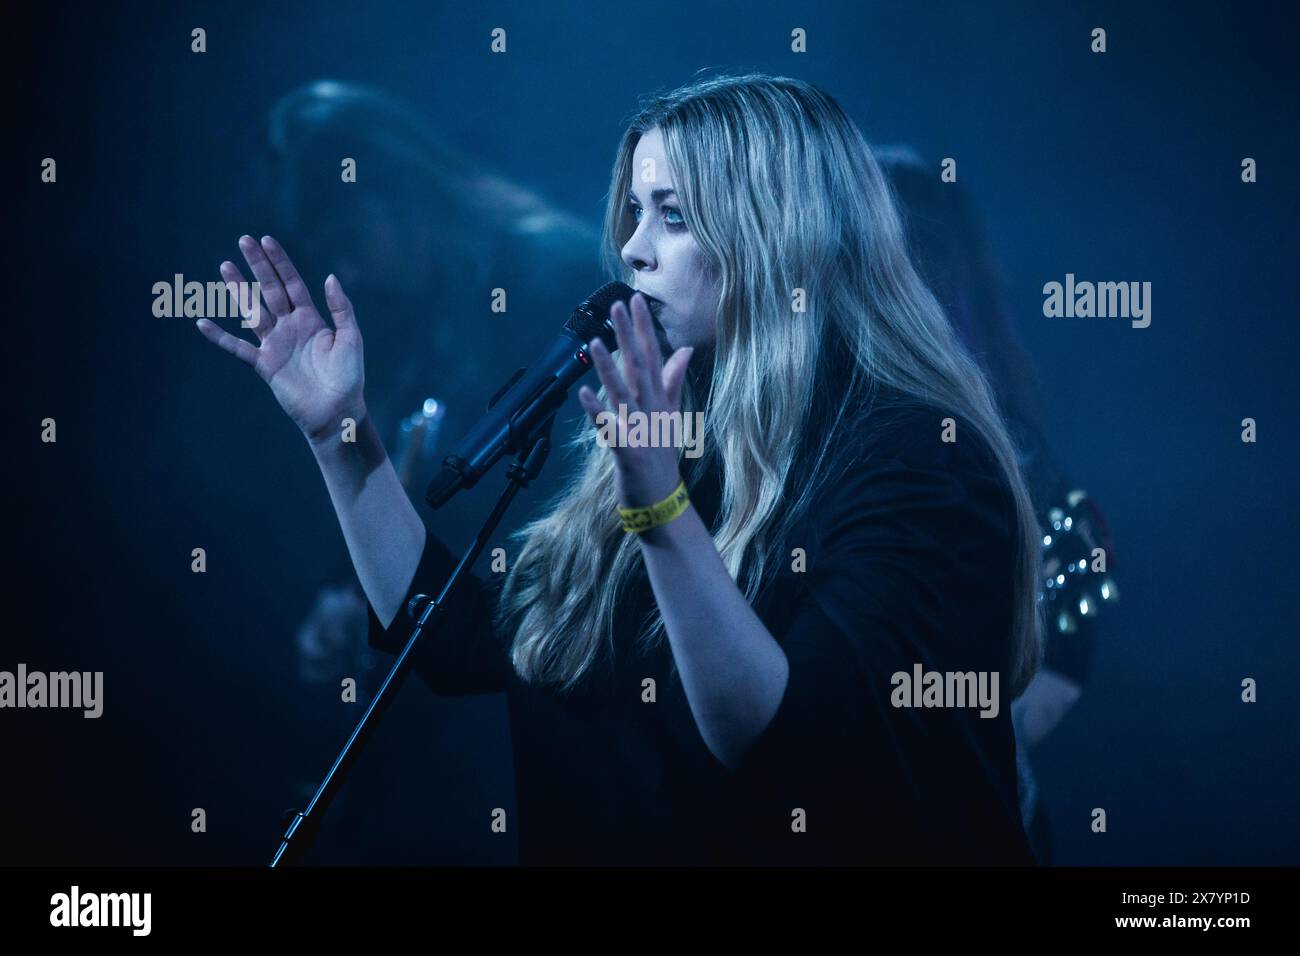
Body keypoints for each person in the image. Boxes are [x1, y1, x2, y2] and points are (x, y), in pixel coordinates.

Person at [197, 73, 1041, 865]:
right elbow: (455, 645)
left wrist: (661, 511)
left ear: (779, 236)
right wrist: (340, 435)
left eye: (672, 216)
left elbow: (786, 746)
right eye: (634, 211)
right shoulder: (681, 432)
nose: (630, 249)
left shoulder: (913, 457)